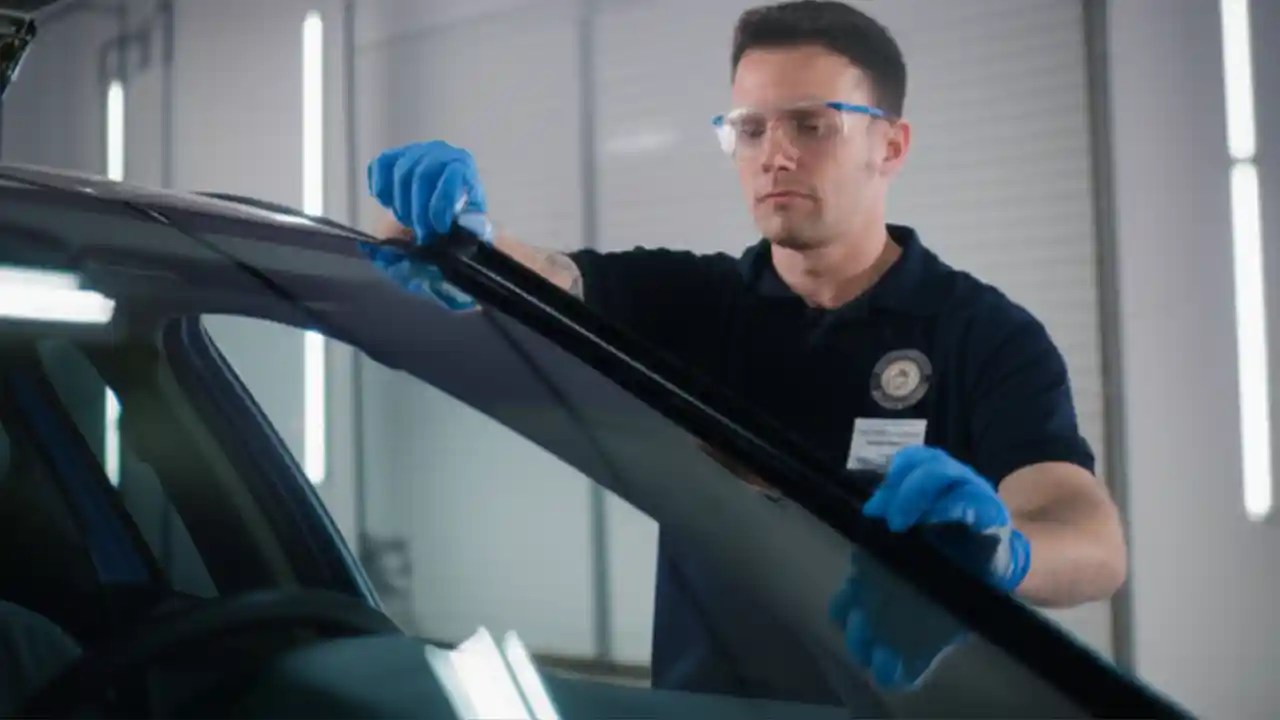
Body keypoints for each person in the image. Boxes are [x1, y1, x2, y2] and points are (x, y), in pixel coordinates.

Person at [362, 0, 1127, 701]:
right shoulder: (697, 305)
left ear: (889, 145)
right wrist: (457, 233)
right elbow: (549, 276)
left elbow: (1092, 540)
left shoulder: (981, 334)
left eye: (810, 125)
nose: (774, 155)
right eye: (750, 128)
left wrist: (1005, 554)